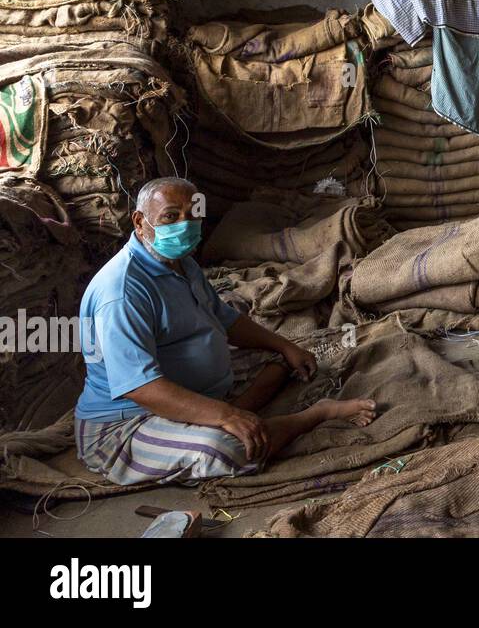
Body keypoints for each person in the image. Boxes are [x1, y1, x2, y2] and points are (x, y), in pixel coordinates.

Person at [74, 176, 376, 485]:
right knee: (228, 449)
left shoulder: (181, 263)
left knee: (286, 361)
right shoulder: (122, 291)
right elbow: (141, 387)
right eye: (170, 216)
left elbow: (225, 319)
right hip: (129, 422)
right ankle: (315, 414)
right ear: (140, 222)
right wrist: (225, 417)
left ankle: (225, 415)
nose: (185, 224)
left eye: (192, 214)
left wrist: (286, 347)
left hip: (195, 388)